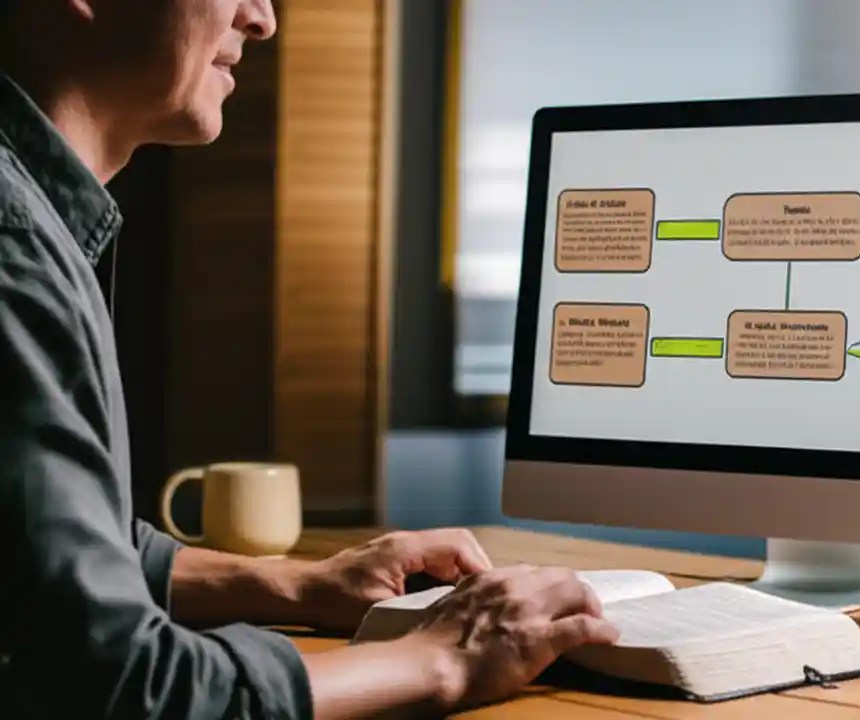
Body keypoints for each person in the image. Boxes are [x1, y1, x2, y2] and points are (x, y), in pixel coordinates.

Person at [0, 1, 619, 718]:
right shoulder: (15, 243)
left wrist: (302, 584)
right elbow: (118, 688)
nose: (262, 17)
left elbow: (51, 562)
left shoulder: (37, 222)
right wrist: (445, 655)